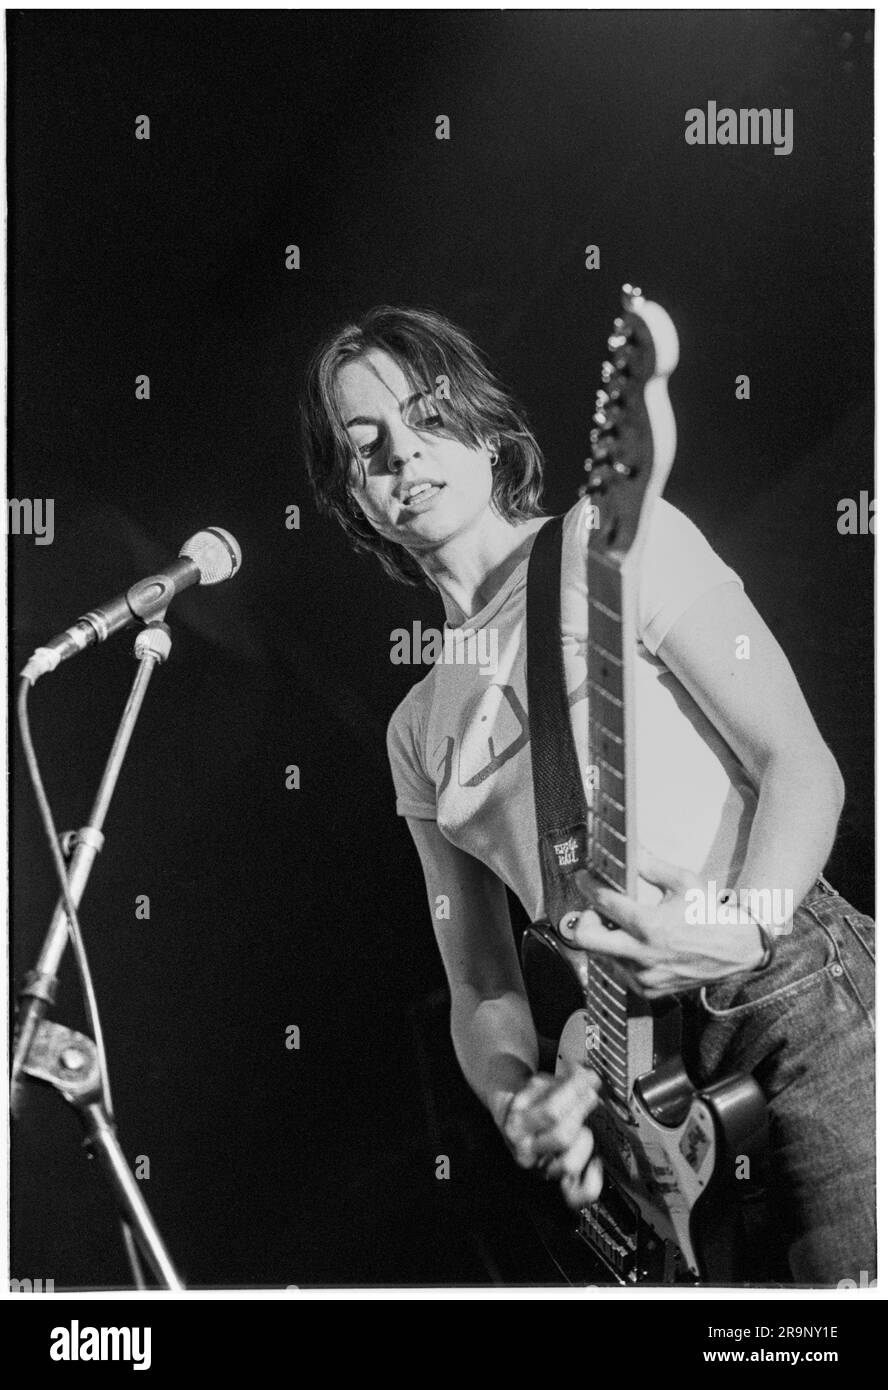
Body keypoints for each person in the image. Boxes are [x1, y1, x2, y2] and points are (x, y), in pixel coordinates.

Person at [301, 303, 875, 1284]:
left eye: (425, 413)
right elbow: (482, 980)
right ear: (353, 499)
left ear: (487, 427)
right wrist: (518, 1091)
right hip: (637, 1081)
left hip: (787, 993)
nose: (400, 453)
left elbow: (801, 762)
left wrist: (748, 922)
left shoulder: (613, 546)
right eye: (366, 446)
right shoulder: (414, 727)